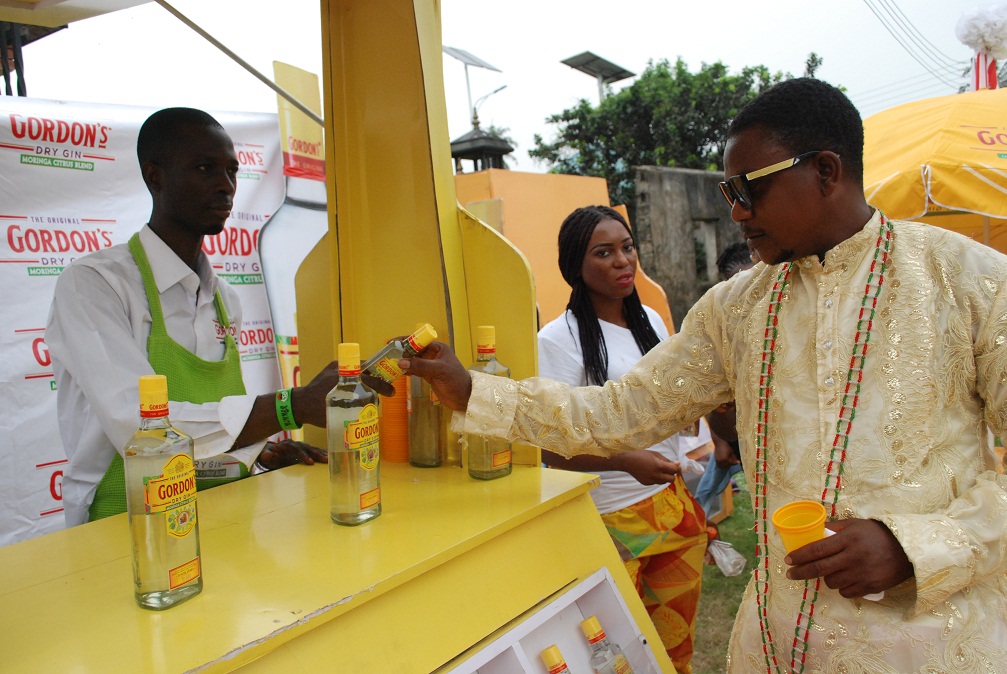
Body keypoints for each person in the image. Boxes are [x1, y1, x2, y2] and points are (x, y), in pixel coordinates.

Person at [403, 78, 1007, 671]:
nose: (737, 211)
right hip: (778, 642)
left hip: (933, 645)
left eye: (750, 189)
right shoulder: (734, 309)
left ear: (826, 171)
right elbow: (619, 412)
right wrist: (471, 389)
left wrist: (917, 545)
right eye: (728, 192)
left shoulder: (970, 281)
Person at [46, 108, 377, 527]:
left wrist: (255, 453)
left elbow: (210, 416)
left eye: (232, 171)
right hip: (125, 522)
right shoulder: (96, 285)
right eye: (205, 169)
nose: (225, 187)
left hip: (219, 515)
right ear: (155, 176)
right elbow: (140, 428)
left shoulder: (224, 298)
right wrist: (290, 406)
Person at [537, 205, 706, 673]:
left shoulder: (650, 319)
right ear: (576, 266)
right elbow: (549, 447)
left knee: (674, 644)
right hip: (608, 521)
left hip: (671, 509)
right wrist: (625, 460)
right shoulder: (557, 340)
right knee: (619, 655)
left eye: (627, 247)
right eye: (604, 253)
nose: (622, 261)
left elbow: (666, 396)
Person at [692, 242, 753, 521]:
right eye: (733, 287)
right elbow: (710, 392)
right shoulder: (724, 333)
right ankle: (698, 524)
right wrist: (719, 442)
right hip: (737, 439)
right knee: (704, 495)